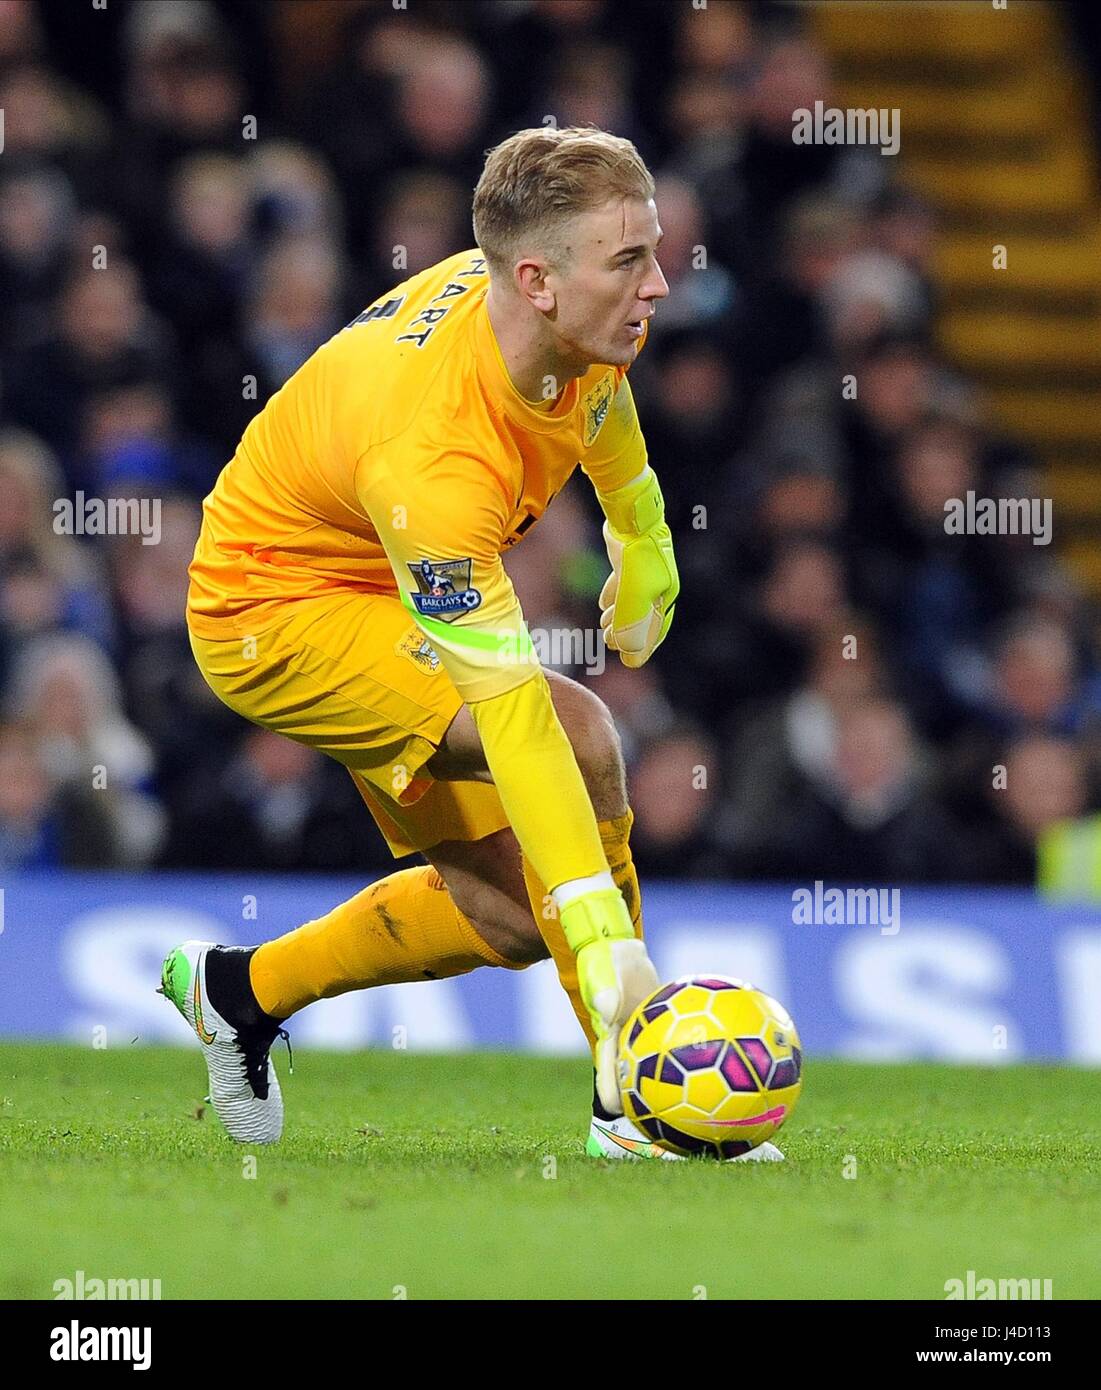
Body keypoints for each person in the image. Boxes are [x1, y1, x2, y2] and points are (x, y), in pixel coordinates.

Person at [159, 125, 778, 1163]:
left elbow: (597, 397)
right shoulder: (434, 454)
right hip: (275, 611)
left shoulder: (545, 316)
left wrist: (643, 532)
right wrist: (607, 940)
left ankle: (240, 991)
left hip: (374, 580)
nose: (660, 286)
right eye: (631, 261)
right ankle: (632, 1093)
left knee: (507, 917)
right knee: (576, 735)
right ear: (538, 279)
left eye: (654, 251)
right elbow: (513, 717)